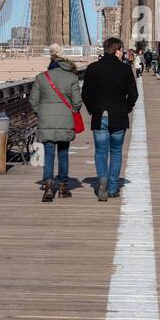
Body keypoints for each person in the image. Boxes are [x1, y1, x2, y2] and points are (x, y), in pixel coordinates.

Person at [81, 37, 139, 202]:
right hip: (119, 117)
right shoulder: (125, 69)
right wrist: (126, 108)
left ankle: (102, 180)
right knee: (116, 152)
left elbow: (85, 94)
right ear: (117, 50)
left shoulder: (92, 68)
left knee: (100, 151)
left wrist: (93, 109)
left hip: (100, 116)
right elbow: (134, 94)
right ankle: (113, 187)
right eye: (121, 51)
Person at [28, 42, 84, 202]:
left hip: (46, 121)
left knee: (49, 154)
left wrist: (42, 113)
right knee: (63, 154)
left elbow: (33, 101)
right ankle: (63, 186)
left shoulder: (41, 78)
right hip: (66, 121)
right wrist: (70, 112)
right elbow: (78, 103)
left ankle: (48, 185)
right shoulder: (72, 78)